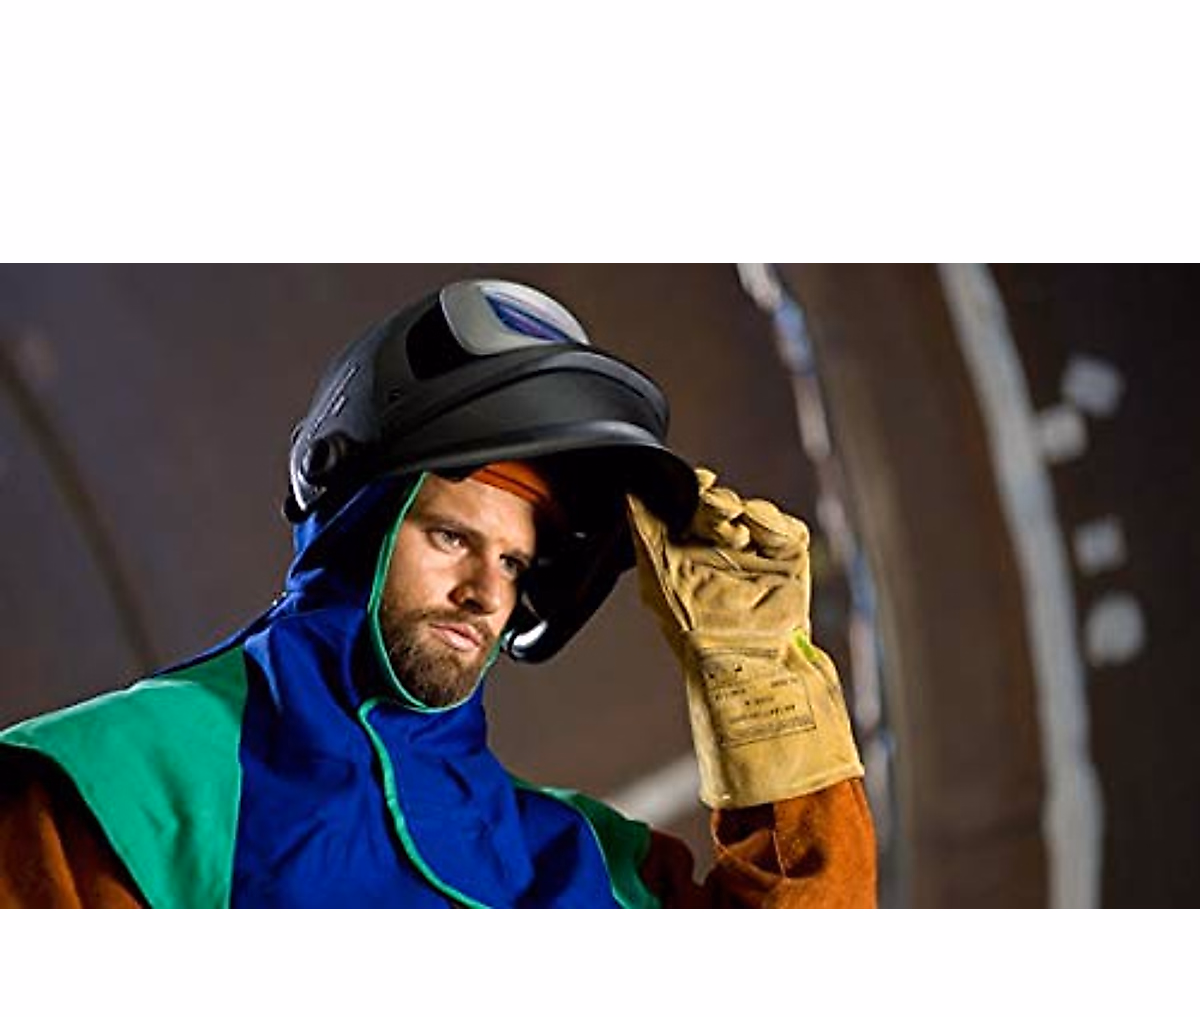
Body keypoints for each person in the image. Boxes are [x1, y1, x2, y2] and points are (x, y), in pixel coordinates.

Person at [0, 279, 876, 908]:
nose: (485, 593)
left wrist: (758, 674)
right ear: (357, 524)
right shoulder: (125, 782)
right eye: (452, 537)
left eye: (515, 563)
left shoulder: (586, 864)